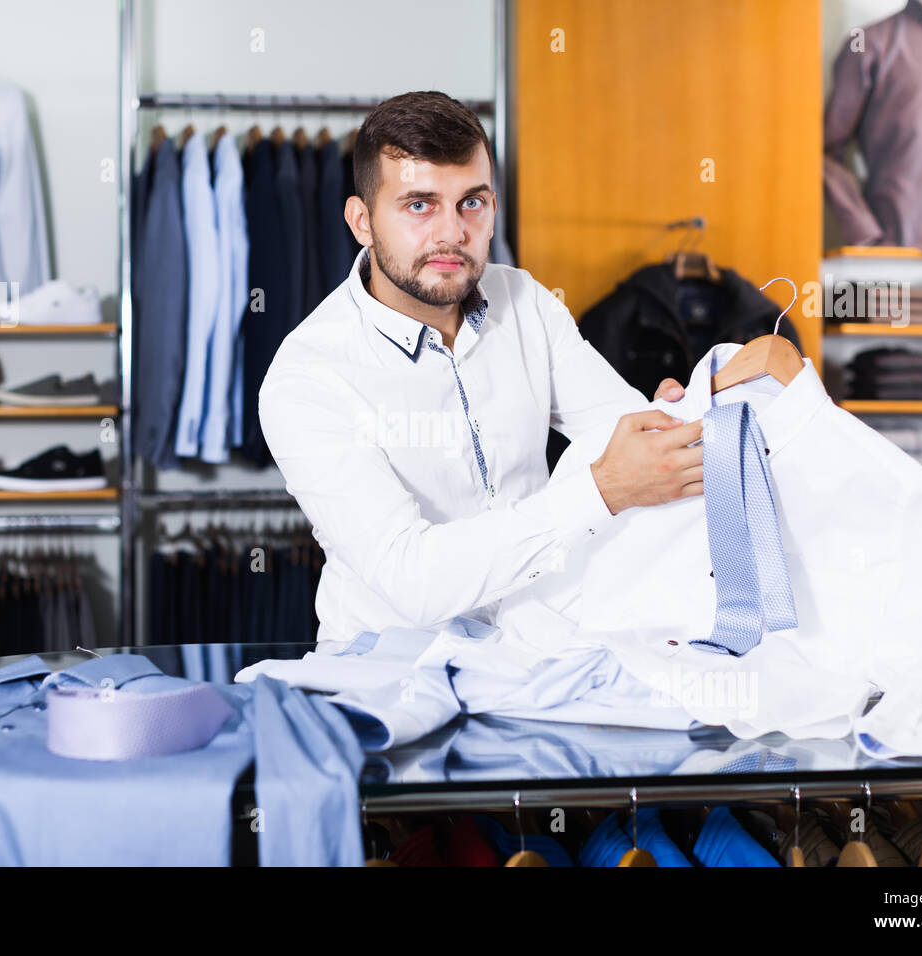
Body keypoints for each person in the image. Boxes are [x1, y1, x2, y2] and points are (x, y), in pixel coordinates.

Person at [259, 90, 702, 648]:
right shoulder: (308, 377)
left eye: (472, 202)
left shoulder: (526, 302)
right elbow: (411, 579)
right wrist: (604, 487)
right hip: (390, 678)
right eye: (419, 205)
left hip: (537, 657)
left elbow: (625, 433)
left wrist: (687, 410)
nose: (452, 233)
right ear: (362, 221)